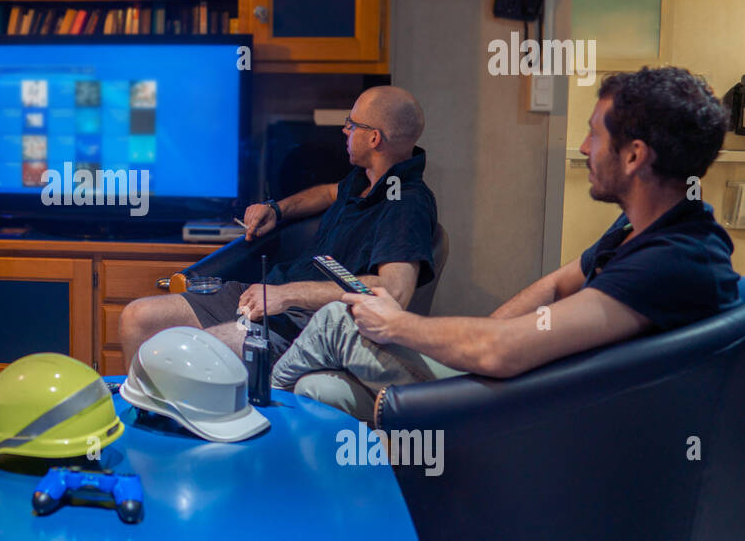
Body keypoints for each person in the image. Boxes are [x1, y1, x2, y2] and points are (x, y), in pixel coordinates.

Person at [273, 65, 739, 423]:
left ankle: (248, 438)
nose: (581, 146)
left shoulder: (671, 263)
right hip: (513, 376)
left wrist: (398, 325)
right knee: (320, 387)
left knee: (338, 319)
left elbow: (504, 352)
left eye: (595, 133)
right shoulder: (648, 229)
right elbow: (557, 287)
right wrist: (471, 345)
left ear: (635, 156)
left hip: (527, 410)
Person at [119, 85, 437, 364]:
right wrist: (277, 209)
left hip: (303, 323)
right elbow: (328, 192)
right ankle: (141, 420)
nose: (344, 131)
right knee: (137, 318)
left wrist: (288, 295)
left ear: (374, 138)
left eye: (351, 124)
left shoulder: (406, 203)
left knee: (182, 352)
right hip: (272, 297)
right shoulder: (365, 179)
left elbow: (395, 291)